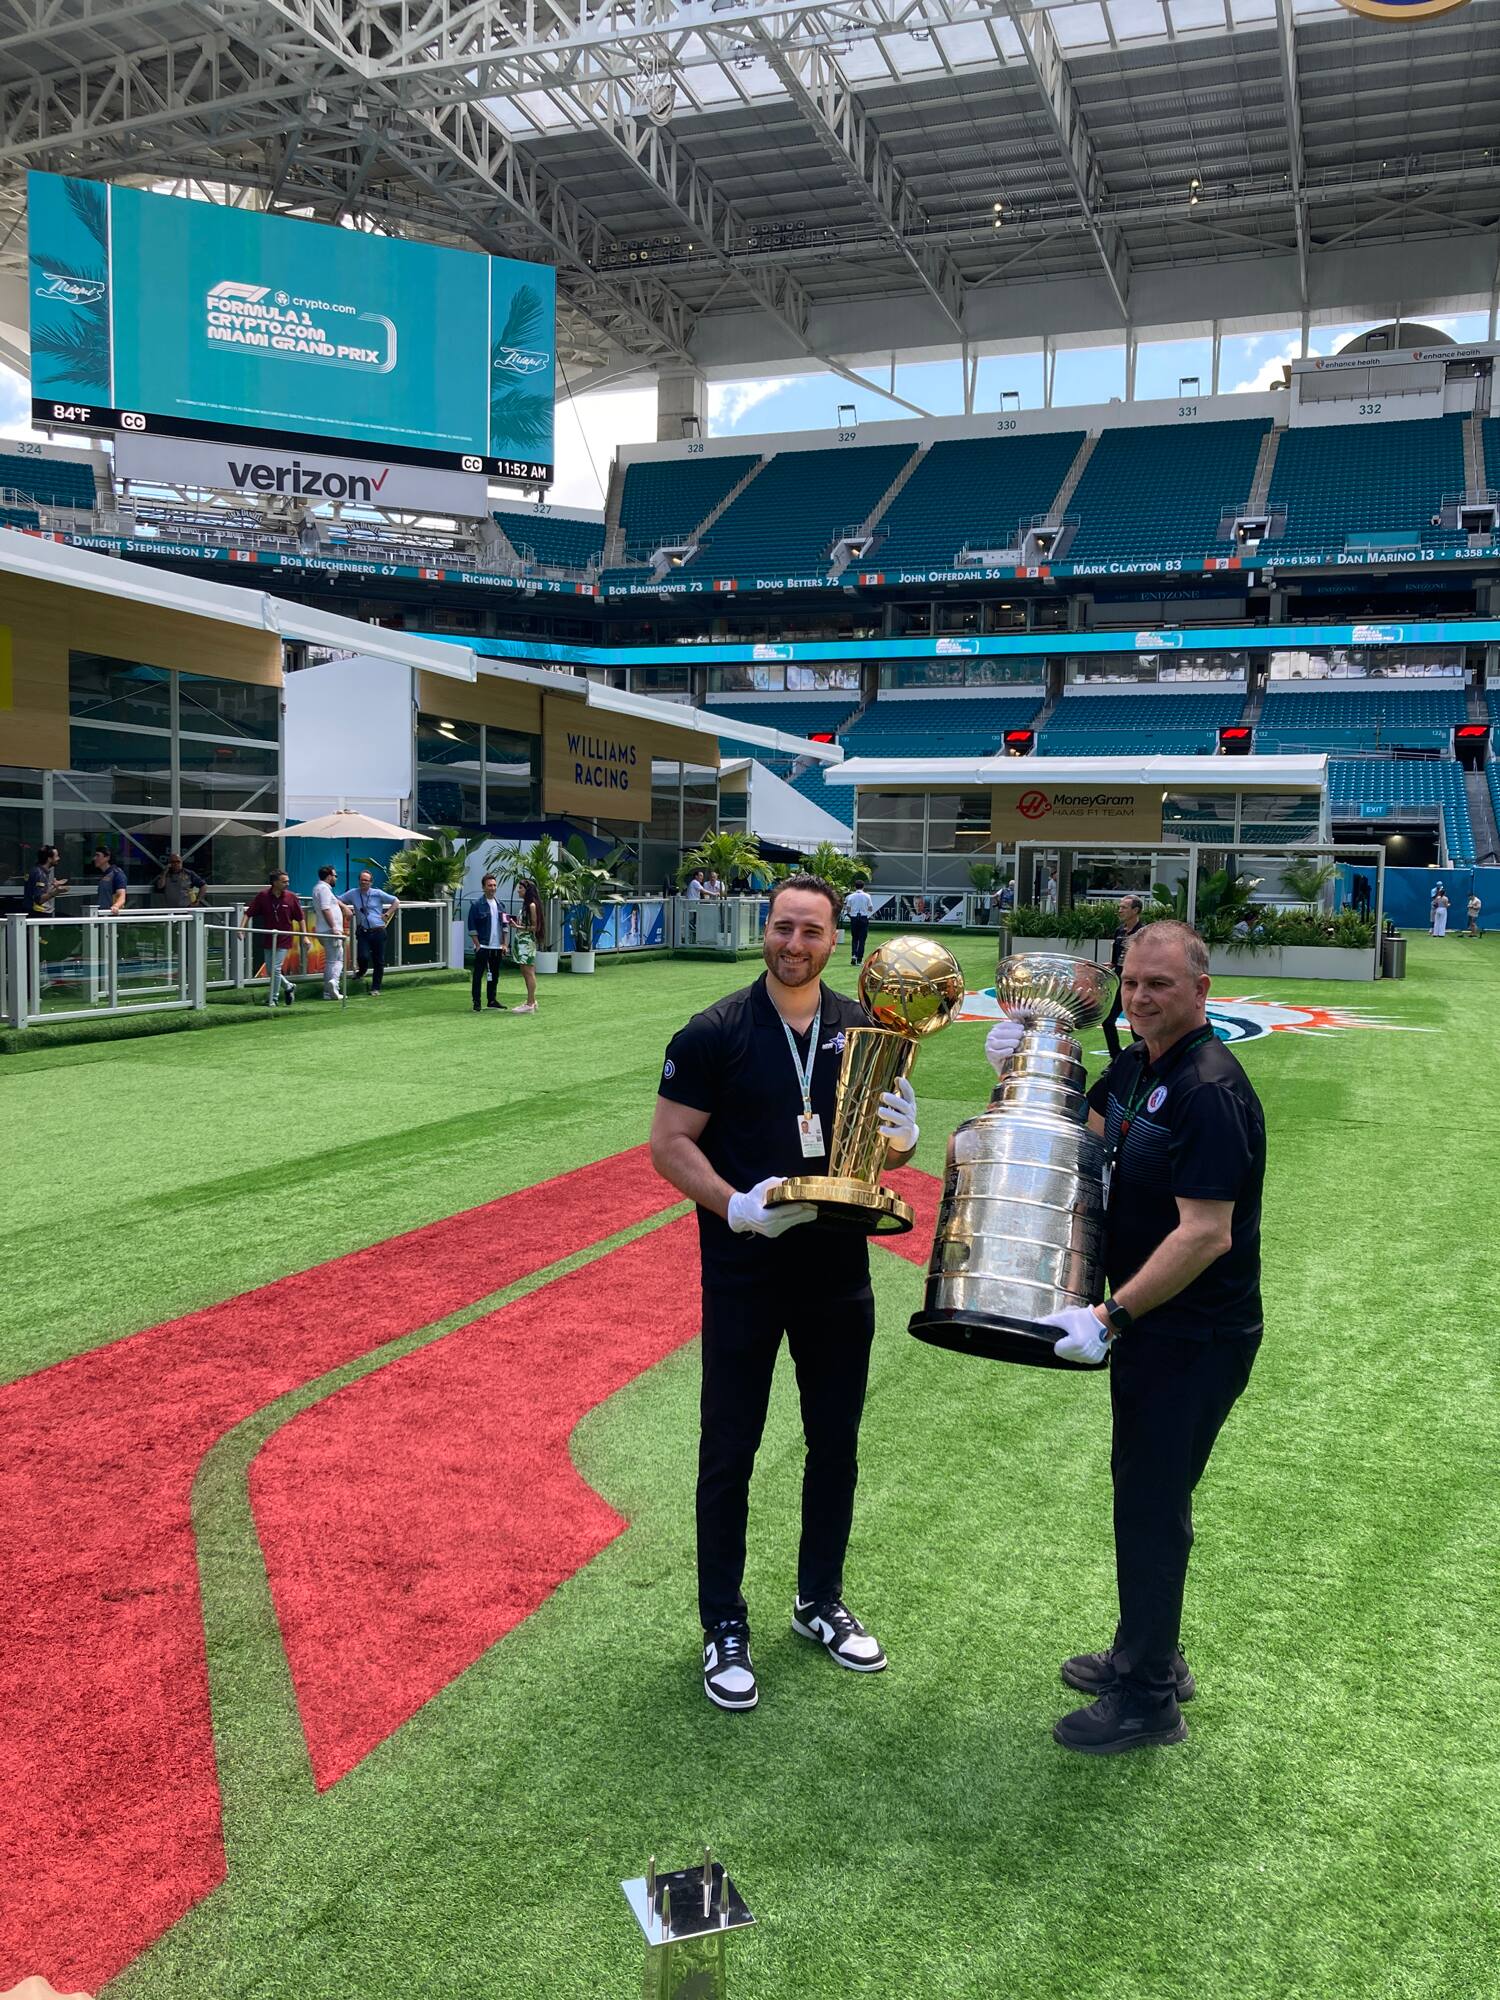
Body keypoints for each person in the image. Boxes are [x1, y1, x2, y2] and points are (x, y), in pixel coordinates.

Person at [987, 921, 1265, 1756]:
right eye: (1133, 983)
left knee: (1150, 1507)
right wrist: (1023, 1062)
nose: (1141, 999)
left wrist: (1112, 1315)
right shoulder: (1143, 1065)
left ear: (1202, 992)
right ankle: (1154, 1653)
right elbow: (1086, 1127)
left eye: (1161, 986)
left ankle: (1147, 1698)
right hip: (1156, 1330)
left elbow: (1205, 1233)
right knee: (1148, 1498)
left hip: (1193, 1333)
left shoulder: (1209, 1089)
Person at [650, 876, 921, 1712]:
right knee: (728, 1449)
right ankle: (722, 1623)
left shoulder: (866, 1030)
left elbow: (878, 1156)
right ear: (764, 931)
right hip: (745, 1272)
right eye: (782, 927)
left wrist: (903, 1142)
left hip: (838, 1274)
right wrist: (732, 1203)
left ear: (835, 941)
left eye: (810, 931)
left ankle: (817, 1602)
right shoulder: (712, 1033)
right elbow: (668, 1144)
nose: (793, 944)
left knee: (834, 1445)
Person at [240, 869, 303, 1007]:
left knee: (275, 968)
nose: (287, 883)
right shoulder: (263, 896)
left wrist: (305, 937)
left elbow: (300, 918)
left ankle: (273, 998)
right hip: (268, 937)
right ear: (275, 882)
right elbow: (249, 913)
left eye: (288, 881)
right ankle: (288, 986)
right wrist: (241, 929)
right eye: (284, 881)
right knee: (270, 970)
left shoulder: (291, 897)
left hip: (285, 937)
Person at [340, 870, 399, 995]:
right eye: (362, 879)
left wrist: (387, 914)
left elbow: (396, 901)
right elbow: (337, 899)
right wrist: (345, 908)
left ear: (371, 882)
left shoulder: (377, 893)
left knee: (379, 961)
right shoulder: (353, 893)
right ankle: (362, 971)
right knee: (363, 956)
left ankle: (375, 988)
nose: (363, 882)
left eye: (366, 880)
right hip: (364, 931)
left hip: (378, 931)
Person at [1103, 895, 1144, 1060]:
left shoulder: (1143, 933)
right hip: (1120, 980)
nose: (1120, 910)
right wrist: (1112, 965)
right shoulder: (1119, 931)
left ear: (1136, 910)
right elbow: (1117, 957)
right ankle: (1116, 1058)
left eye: (1124, 907)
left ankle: (1143, 1057)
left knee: (1136, 1023)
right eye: (1119, 907)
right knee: (1107, 1021)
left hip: (1136, 982)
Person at [467, 872, 508, 1012]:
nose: (493, 888)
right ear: (483, 887)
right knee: (478, 975)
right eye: (490, 885)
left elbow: (505, 927)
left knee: (494, 975)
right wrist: (477, 945)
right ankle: (476, 1001)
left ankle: (492, 999)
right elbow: (472, 927)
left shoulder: (501, 905)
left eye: (494, 885)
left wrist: (504, 944)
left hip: (497, 947)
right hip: (483, 946)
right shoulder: (477, 905)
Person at [310, 865, 346, 999]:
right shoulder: (324, 889)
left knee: (333, 959)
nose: (336, 878)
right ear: (329, 876)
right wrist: (334, 927)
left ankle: (328, 991)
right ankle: (333, 983)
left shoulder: (320, 888)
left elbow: (333, 902)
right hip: (330, 930)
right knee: (336, 960)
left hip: (325, 929)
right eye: (335, 876)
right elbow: (326, 909)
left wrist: (343, 907)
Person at [510, 876, 541, 1014]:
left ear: (527, 890)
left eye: (520, 888)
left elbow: (535, 926)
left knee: (528, 971)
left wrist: (518, 926)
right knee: (525, 970)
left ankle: (530, 1003)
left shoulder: (532, 905)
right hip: (521, 940)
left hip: (527, 941)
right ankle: (531, 1000)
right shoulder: (525, 905)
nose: (518, 891)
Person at [23, 844, 66, 917]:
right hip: (38, 913)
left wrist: (53, 886)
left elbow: (38, 891)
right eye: (56, 856)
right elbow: (39, 899)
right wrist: (57, 891)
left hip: (37, 912)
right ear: (49, 859)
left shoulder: (37, 871)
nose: (59, 858)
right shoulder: (39, 873)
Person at [845, 875, 874, 967]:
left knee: (854, 938)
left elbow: (848, 908)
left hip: (854, 918)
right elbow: (870, 908)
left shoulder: (850, 897)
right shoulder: (867, 896)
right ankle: (859, 959)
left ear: (855, 886)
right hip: (863, 918)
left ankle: (854, 955)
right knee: (862, 939)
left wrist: (851, 913)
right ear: (863, 886)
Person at [92, 846, 127, 915]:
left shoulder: (117, 873)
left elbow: (121, 896)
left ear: (107, 857)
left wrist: (116, 906)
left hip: (111, 915)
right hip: (103, 914)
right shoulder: (105, 874)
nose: (94, 858)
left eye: (98, 855)